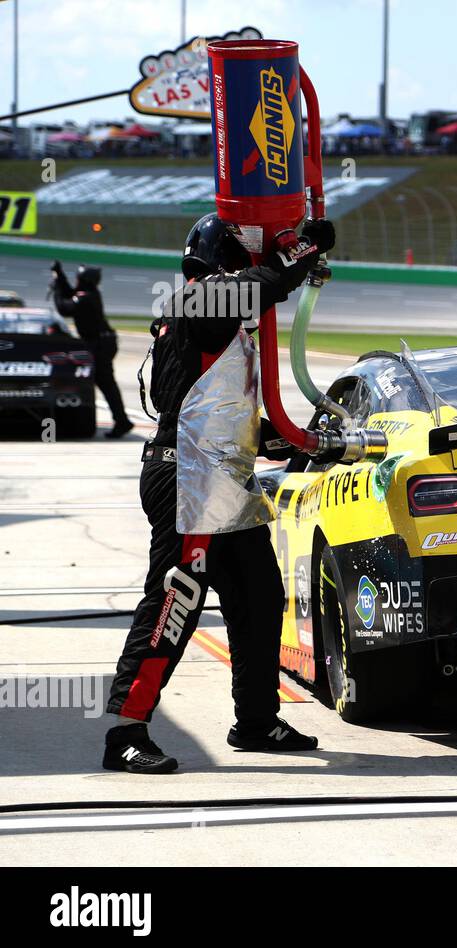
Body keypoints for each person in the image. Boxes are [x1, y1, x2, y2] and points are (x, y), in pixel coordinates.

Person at [102, 213, 338, 773]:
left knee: (258, 601)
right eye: (242, 260)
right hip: (186, 477)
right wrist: (303, 250)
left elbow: (223, 409)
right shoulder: (197, 302)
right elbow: (262, 284)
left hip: (225, 477)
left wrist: (295, 438)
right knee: (173, 604)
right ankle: (124, 733)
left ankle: (255, 721)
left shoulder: (219, 319)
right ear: (222, 262)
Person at [49, 262, 132, 438]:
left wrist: (56, 286)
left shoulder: (86, 297)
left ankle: (122, 420)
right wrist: (59, 275)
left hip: (99, 345)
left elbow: (64, 307)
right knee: (105, 383)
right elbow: (70, 293)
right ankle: (121, 420)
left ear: (84, 280)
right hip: (101, 343)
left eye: (78, 278)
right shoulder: (89, 294)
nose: (76, 281)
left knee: (105, 383)